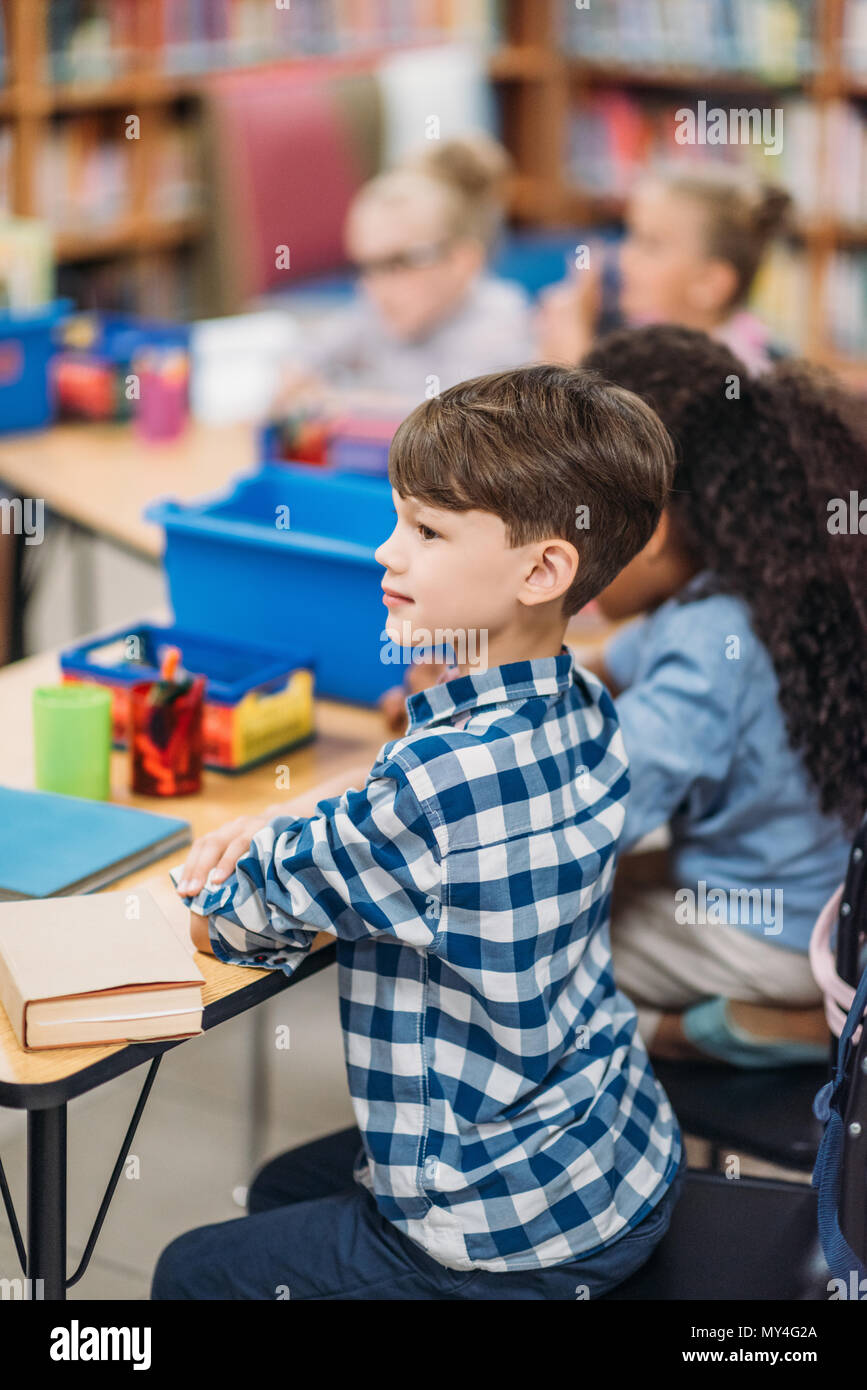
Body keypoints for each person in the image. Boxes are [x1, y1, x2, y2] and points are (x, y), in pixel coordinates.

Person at [151, 364, 683, 1301]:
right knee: (277, 1189)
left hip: (499, 1230)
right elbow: (413, 813)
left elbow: (231, 920)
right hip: (612, 1154)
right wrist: (322, 813)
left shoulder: (435, 787)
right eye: (398, 520)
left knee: (191, 1274)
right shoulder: (586, 700)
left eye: (427, 532)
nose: (384, 555)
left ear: (542, 569)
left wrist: (264, 844)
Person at [578, 324, 867, 1067]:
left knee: (530, 949)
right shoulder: (776, 583)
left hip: (766, 930)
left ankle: (712, 1033)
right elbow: (608, 662)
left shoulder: (708, 641)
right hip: (828, 904)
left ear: (648, 529)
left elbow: (588, 811)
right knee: (627, 883)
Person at [281, 134, 534, 405]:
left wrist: (330, 400)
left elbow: (443, 423)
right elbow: (306, 355)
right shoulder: (379, 312)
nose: (373, 286)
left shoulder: (498, 327)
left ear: (462, 261)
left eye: (397, 264)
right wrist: (295, 378)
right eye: (366, 267)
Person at [538, 164, 791, 376]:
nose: (625, 257)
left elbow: (627, 432)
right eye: (630, 235)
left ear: (709, 283)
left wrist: (571, 361)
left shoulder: (732, 379)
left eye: (651, 245)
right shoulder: (630, 338)